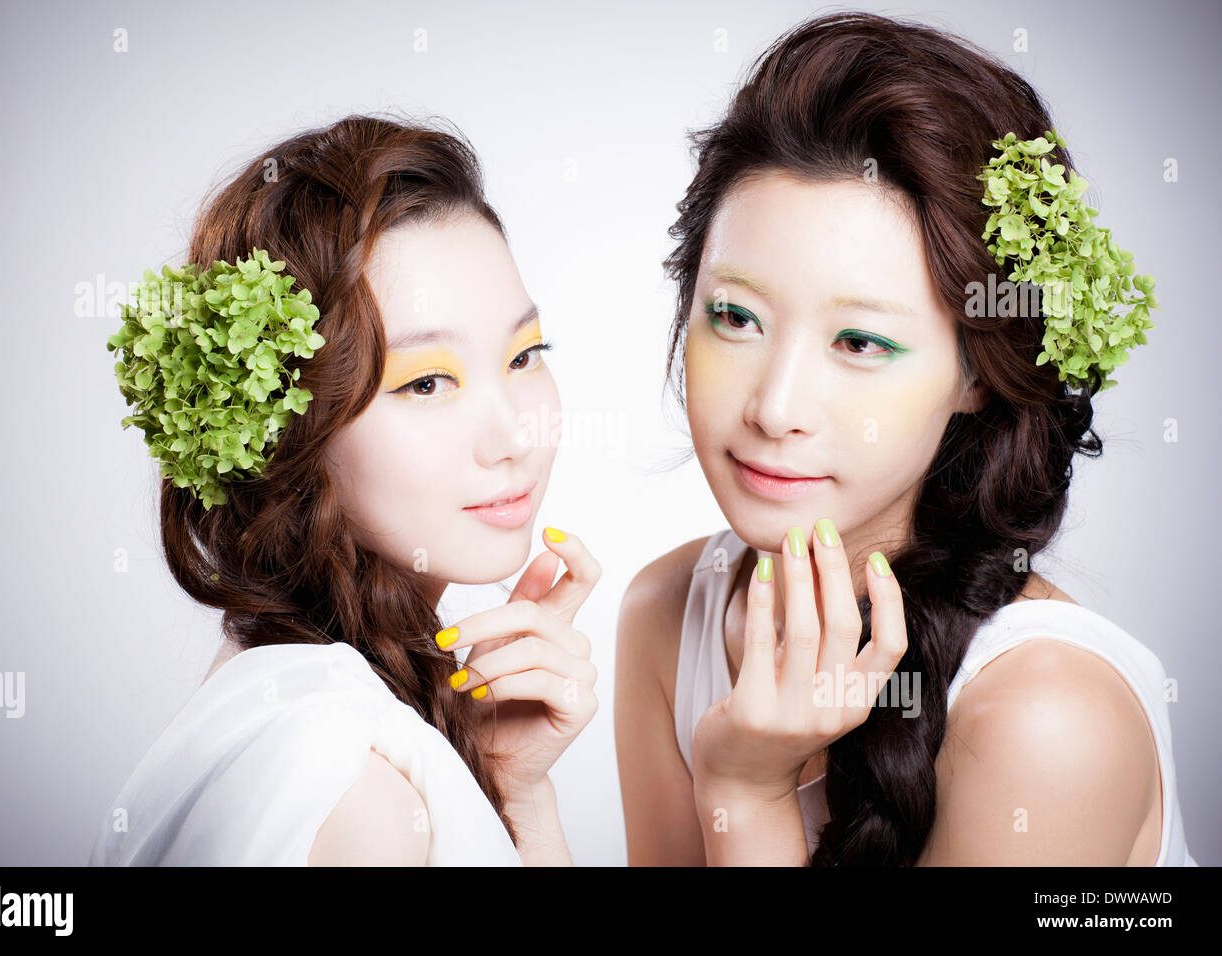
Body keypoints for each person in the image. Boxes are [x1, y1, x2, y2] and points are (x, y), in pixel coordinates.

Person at [615, 11, 1195, 866]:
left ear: (975, 372)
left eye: (861, 343)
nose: (774, 408)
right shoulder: (668, 613)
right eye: (735, 317)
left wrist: (747, 789)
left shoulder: (1048, 720)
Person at [90, 113, 599, 866]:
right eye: (427, 382)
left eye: (525, 355)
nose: (515, 436)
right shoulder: (360, 796)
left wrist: (516, 795)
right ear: (289, 431)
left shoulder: (294, 707)